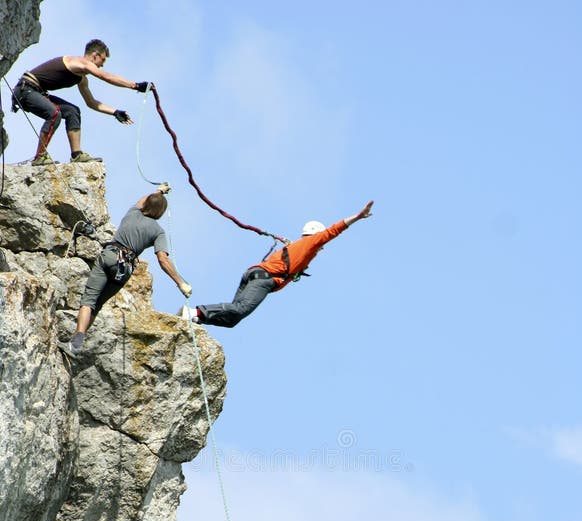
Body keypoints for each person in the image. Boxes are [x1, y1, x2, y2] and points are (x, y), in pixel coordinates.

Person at [180, 201, 374, 329]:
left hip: (256, 275)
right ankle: (195, 312)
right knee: (240, 309)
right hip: (263, 279)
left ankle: (198, 318)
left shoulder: (299, 248)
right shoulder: (310, 244)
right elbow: (333, 231)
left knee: (233, 318)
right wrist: (357, 216)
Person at [59, 184, 192, 357]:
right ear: (160, 213)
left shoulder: (133, 212)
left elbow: (143, 200)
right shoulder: (158, 231)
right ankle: (75, 345)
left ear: (145, 205)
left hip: (110, 256)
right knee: (97, 305)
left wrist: (159, 191)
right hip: (124, 269)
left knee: (89, 300)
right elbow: (162, 259)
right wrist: (180, 283)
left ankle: (77, 340)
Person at [11, 38, 149, 165]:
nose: (101, 65)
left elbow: (91, 102)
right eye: (103, 60)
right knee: (54, 113)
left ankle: (77, 155)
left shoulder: (82, 77)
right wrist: (134, 85)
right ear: (95, 55)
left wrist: (115, 112)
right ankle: (40, 157)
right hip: (25, 89)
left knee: (72, 111)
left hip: (37, 92)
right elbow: (105, 76)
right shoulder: (80, 63)